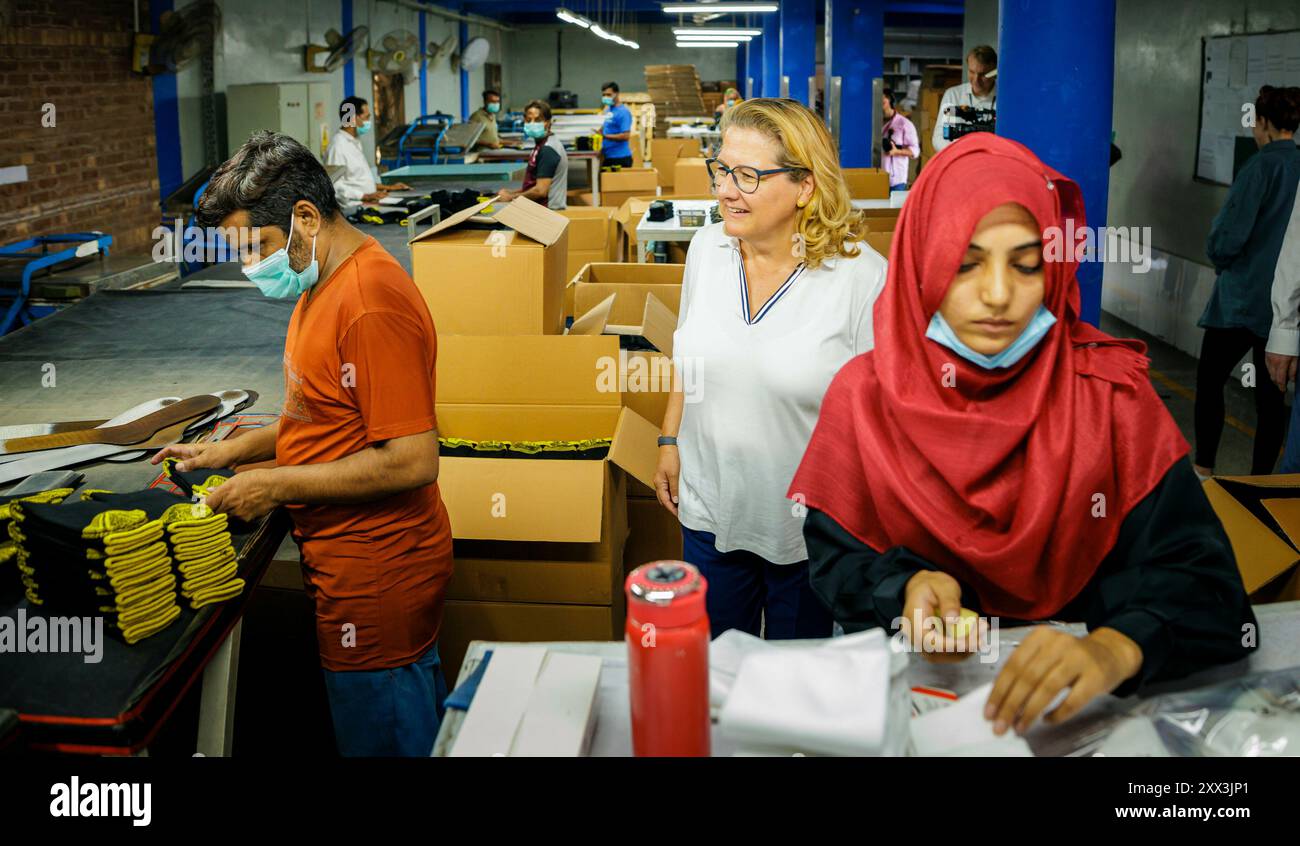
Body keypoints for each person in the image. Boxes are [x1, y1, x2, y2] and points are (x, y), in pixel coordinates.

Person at [790, 134, 1256, 736]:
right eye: (965, 262)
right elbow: (837, 559)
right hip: (921, 715)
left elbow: (1209, 586)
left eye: (1027, 265)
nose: (998, 295)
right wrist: (903, 585)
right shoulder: (865, 397)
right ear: (922, 262)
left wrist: (1114, 648)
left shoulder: (1110, 398)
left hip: (1083, 717)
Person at [164, 131, 453, 757]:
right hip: (342, 562)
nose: (250, 267)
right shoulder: (317, 281)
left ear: (305, 217)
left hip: (379, 575)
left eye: (257, 246)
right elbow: (317, 414)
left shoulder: (370, 301)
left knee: (389, 738)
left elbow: (411, 459)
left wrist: (273, 484)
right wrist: (232, 453)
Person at [653, 98, 886, 641]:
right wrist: (669, 438)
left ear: (805, 185)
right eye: (723, 170)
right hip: (710, 508)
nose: (725, 190)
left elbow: (882, 422)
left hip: (807, 533)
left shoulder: (860, 280)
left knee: (792, 692)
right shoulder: (707, 249)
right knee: (712, 674)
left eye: (748, 175)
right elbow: (687, 355)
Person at [1195, 85, 1300, 479]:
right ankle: (1259, 480)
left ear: (1266, 124)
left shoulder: (1258, 167)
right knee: (1271, 400)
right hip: (1283, 312)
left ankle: (1204, 468)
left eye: (1255, 121)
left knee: (1210, 382)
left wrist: (1220, 259)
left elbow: (1226, 239)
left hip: (1241, 300)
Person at [323, 96, 410, 212]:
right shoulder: (338, 146)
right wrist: (365, 196)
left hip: (368, 203)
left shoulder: (354, 142)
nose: (368, 121)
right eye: (367, 117)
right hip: (354, 208)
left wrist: (388, 188)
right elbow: (335, 186)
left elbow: (357, 180)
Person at [498, 99, 568, 210]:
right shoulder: (541, 144)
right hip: (539, 208)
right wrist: (511, 192)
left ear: (548, 122)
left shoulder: (548, 150)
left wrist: (511, 197)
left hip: (547, 212)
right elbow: (533, 185)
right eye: (528, 120)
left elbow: (540, 191)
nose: (532, 124)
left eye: (537, 120)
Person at [931, 45, 997, 153]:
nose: (976, 80)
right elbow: (939, 137)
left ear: (994, 72)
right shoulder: (953, 95)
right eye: (971, 72)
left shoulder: (1005, 101)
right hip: (960, 160)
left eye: (983, 74)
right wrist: (961, 153)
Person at [881, 88, 919, 191]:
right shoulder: (874, 123)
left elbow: (915, 151)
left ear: (891, 101)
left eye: (883, 100)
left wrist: (897, 151)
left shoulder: (904, 124)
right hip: (877, 178)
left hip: (896, 180)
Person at [598, 81, 635, 168]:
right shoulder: (608, 110)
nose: (605, 97)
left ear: (617, 94)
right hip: (608, 156)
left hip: (619, 158)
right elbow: (608, 126)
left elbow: (626, 136)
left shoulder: (623, 112)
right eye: (604, 95)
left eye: (608, 95)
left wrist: (606, 136)